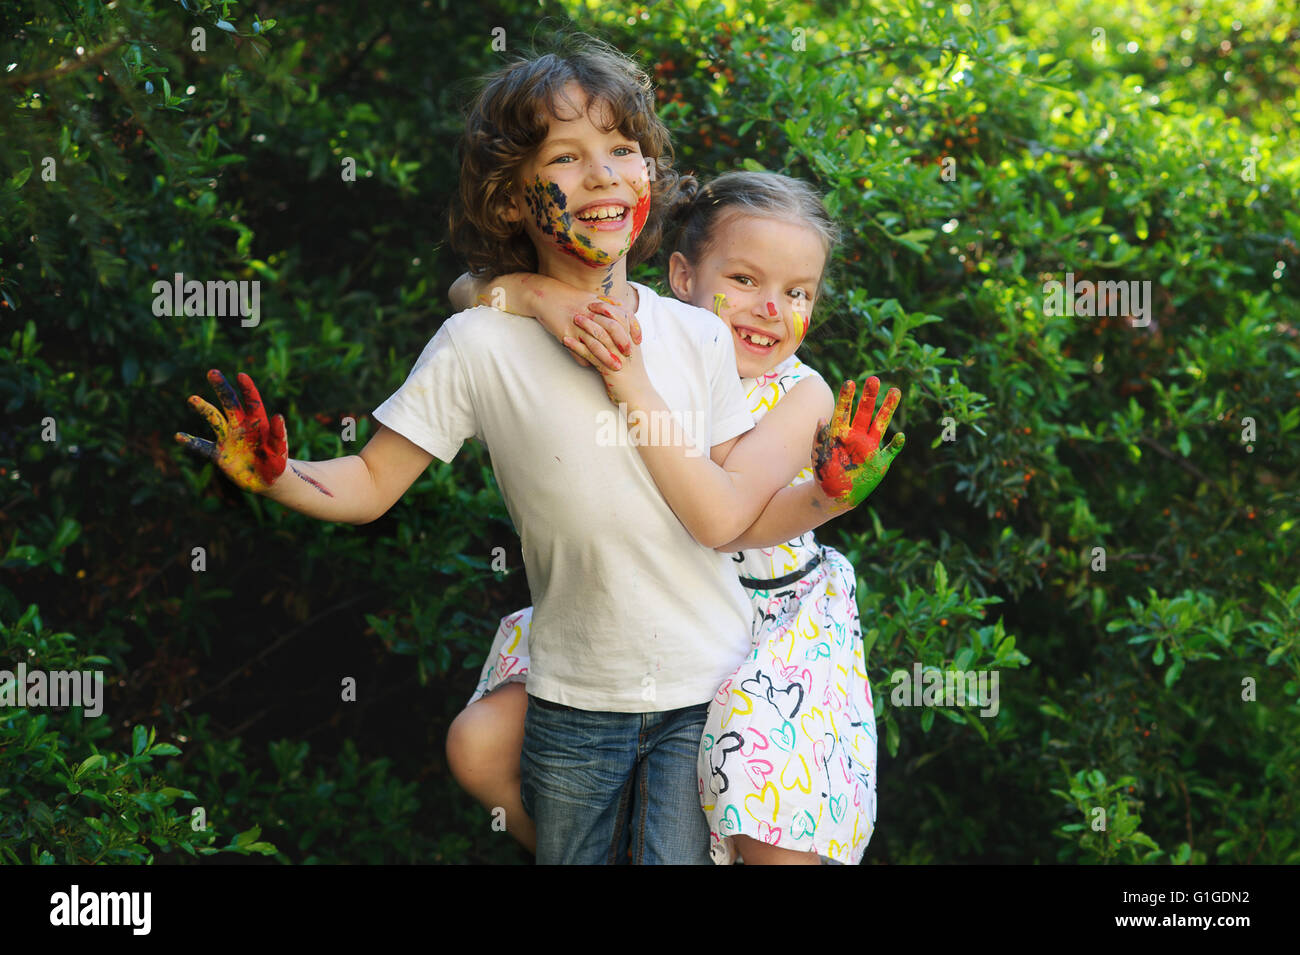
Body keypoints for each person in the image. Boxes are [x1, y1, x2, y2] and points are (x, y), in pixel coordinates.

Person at [174, 36, 891, 864]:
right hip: (571, 698)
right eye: (567, 157)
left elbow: (729, 513)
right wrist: (277, 475)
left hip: (705, 686)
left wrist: (828, 493)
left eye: (623, 151)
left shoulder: (694, 334)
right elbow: (370, 482)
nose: (602, 175)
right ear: (513, 200)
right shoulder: (476, 344)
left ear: (648, 180)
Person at [446, 170, 904, 864]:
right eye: (746, 279)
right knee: (477, 746)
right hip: (625, 606)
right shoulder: (644, 331)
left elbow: (726, 522)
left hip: (768, 625)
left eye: (797, 292)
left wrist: (826, 499)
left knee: (773, 840)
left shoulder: (800, 393)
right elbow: (467, 291)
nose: (771, 309)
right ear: (684, 275)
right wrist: (539, 296)